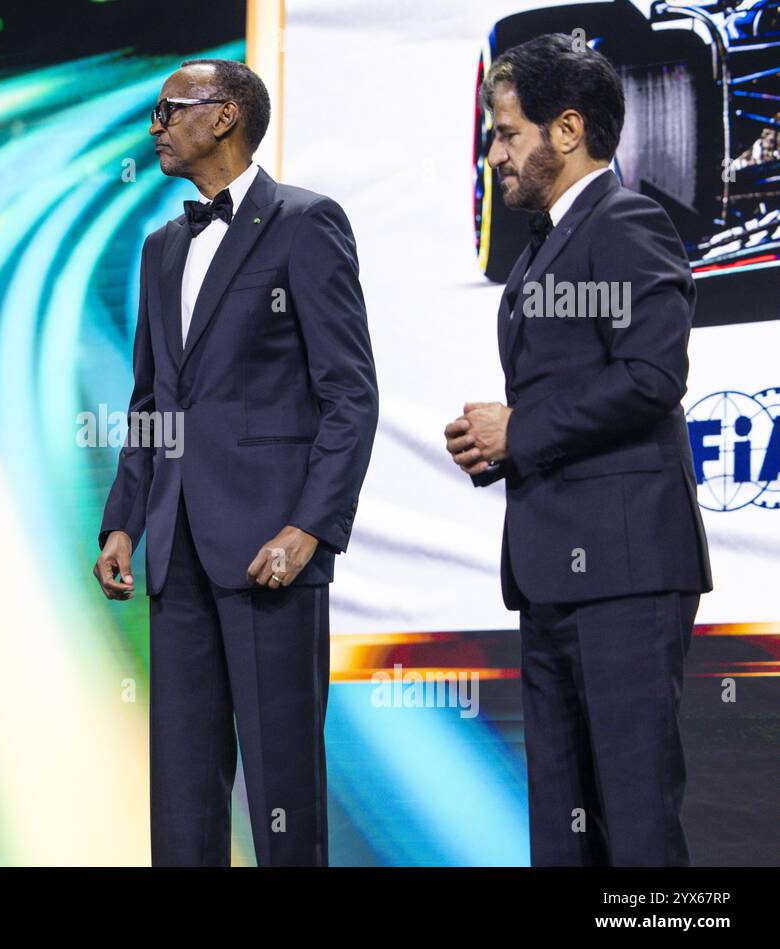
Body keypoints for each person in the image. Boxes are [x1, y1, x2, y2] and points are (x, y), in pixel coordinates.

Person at [93, 59, 378, 866]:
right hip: (175, 548)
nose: (155, 126)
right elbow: (152, 401)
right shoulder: (159, 248)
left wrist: (309, 529)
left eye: (168, 110)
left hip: (269, 550)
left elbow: (350, 395)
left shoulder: (307, 222)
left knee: (283, 784)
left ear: (223, 118)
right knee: (182, 792)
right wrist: (122, 519)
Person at [444, 35, 712, 866]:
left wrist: (520, 430)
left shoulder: (628, 221)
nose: (493, 155)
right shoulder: (543, 247)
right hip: (554, 570)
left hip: (625, 572)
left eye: (505, 132)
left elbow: (650, 375)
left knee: (631, 821)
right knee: (563, 827)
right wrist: (501, 448)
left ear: (566, 130)